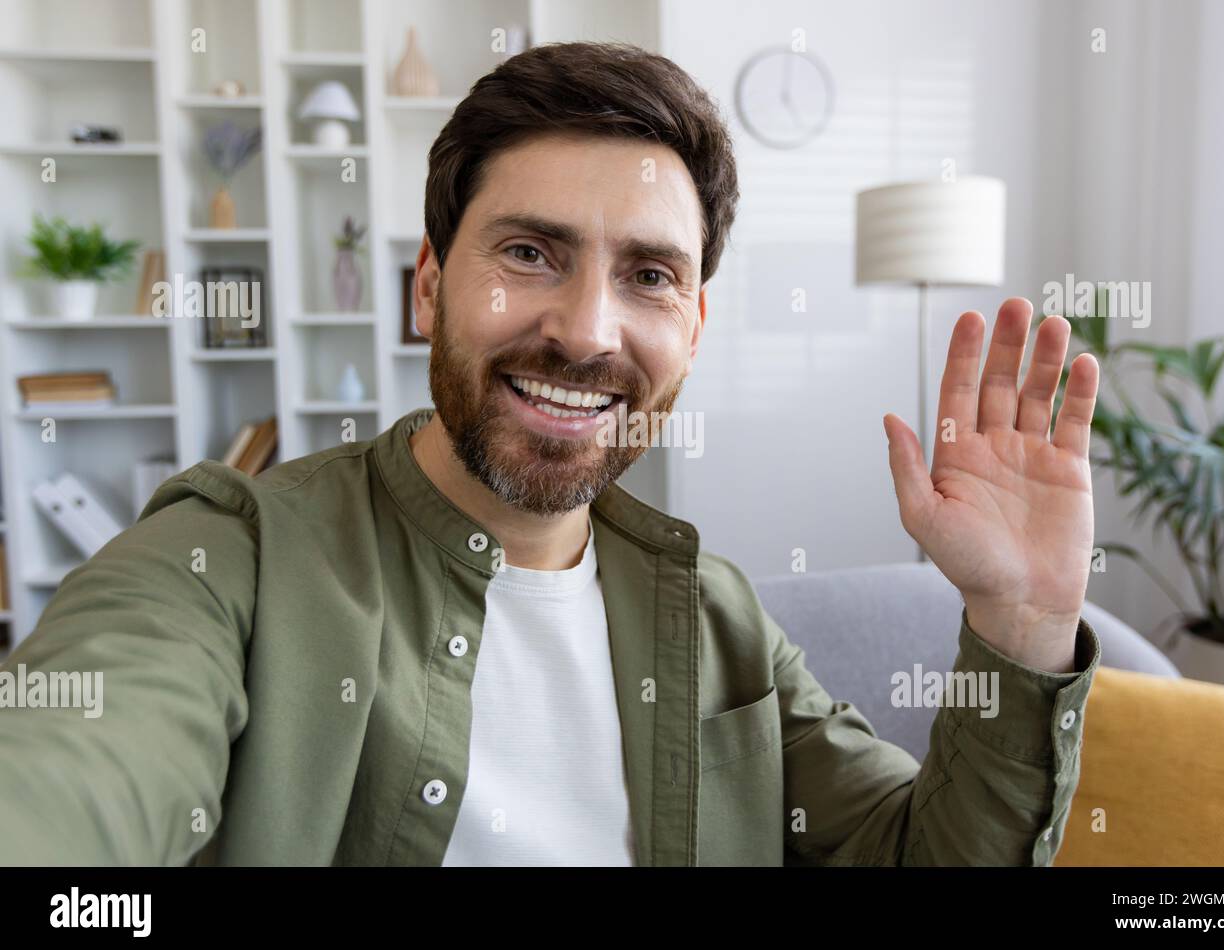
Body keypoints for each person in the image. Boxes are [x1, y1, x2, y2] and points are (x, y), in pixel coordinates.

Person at [0, 41, 1100, 866]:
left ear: (695, 327)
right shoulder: (226, 561)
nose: (585, 332)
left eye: (649, 276)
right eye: (529, 253)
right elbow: (69, 788)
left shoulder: (717, 617)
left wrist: (1021, 622)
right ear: (428, 285)